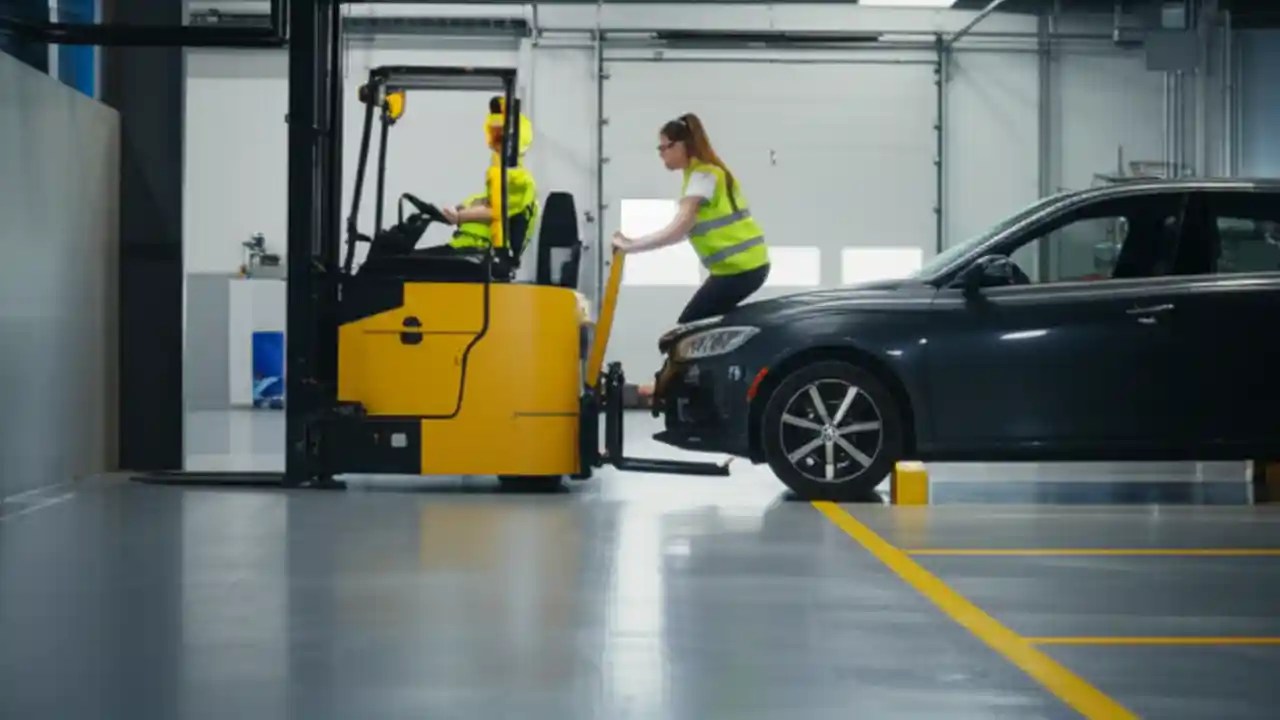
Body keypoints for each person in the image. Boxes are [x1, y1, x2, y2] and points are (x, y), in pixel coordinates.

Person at [611, 113, 770, 324]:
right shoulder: (701, 173)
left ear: (681, 145)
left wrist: (631, 245)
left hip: (741, 269)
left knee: (690, 326)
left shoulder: (703, 176)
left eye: (663, 147)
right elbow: (685, 229)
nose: (661, 154)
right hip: (741, 267)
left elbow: (678, 229)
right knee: (703, 326)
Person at [434, 96, 539, 261]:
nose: (494, 138)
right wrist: (458, 209)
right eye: (494, 131)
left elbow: (496, 210)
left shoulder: (519, 179)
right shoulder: (500, 175)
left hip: (481, 254)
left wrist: (459, 217)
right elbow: (486, 201)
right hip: (468, 250)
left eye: (500, 134)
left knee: (400, 265)